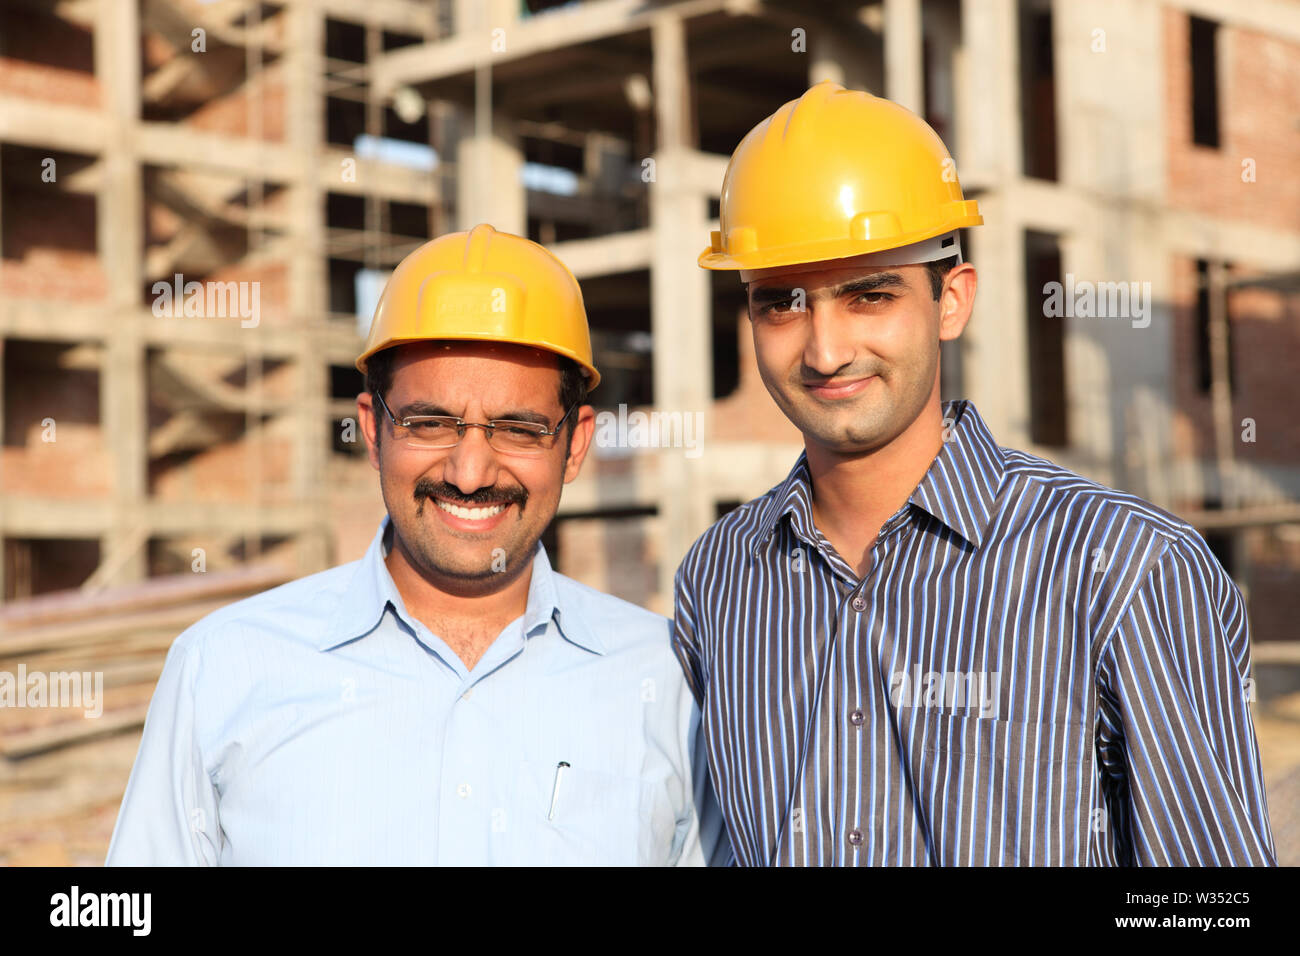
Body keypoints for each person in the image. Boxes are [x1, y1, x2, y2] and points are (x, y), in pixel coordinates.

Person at [672, 81, 1276, 866]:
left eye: (869, 294)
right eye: (782, 303)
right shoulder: (718, 579)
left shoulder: (1127, 570)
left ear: (950, 300)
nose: (824, 350)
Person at [107, 224, 726, 865]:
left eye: (519, 429)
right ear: (374, 430)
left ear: (574, 446)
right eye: (429, 423)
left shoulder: (670, 684)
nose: (470, 472)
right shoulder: (223, 671)